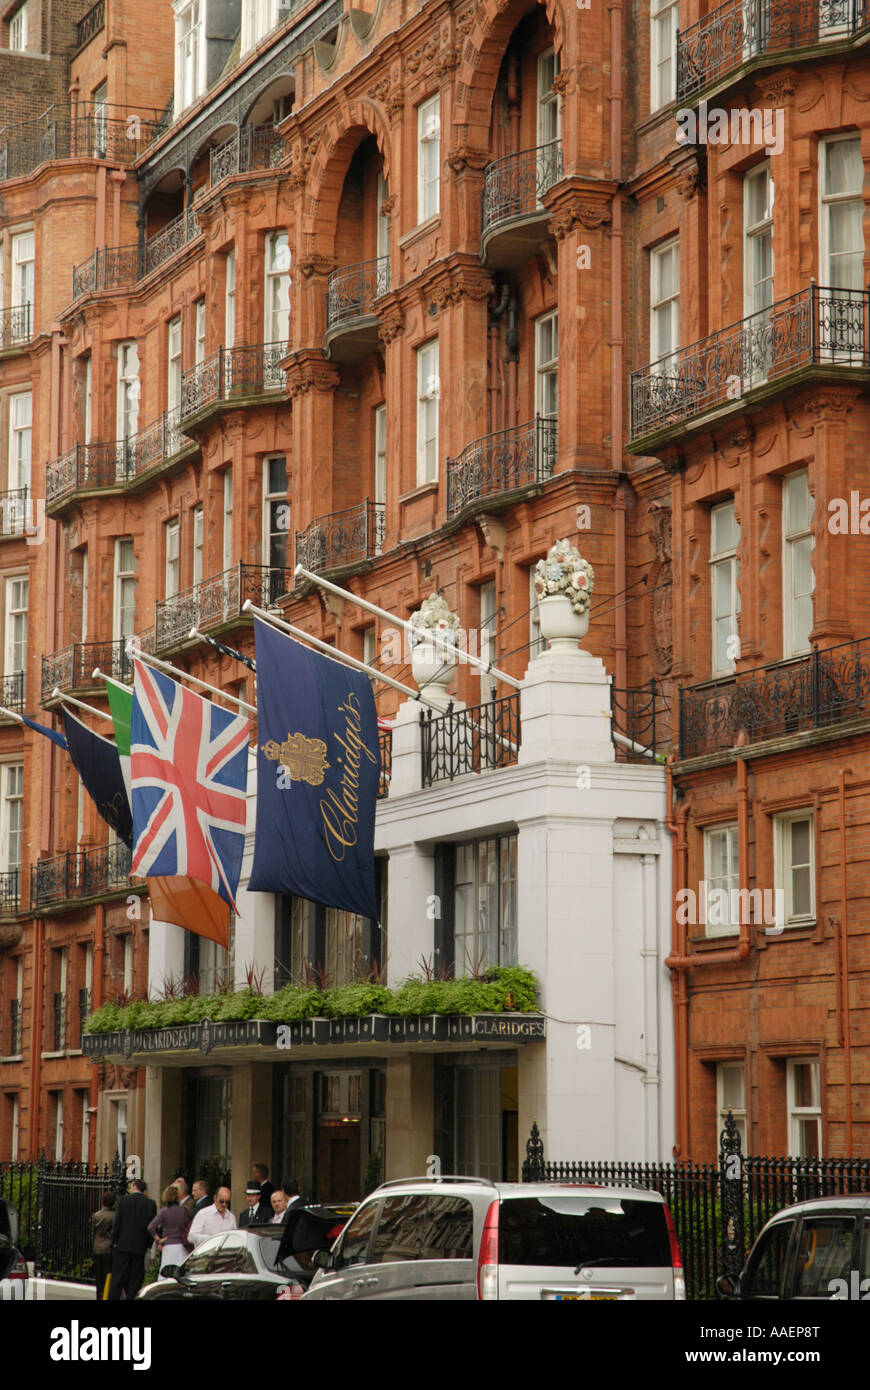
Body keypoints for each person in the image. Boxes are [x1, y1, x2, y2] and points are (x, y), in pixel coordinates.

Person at [108, 1179, 158, 1301]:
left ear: (134, 1186)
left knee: (118, 1278)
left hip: (122, 1245)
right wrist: (148, 1245)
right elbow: (152, 1226)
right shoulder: (150, 1204)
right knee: (135, 1279)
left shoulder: (123, 1201)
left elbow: (117, 1222)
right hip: (140, 1248)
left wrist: (114, 1241)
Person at [147, 1183, 192, 1276]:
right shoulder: (184, 1210)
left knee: (166, 1273)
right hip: (181, 1246)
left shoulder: (164, 1211)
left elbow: (151, 1227)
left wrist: (159, 1240)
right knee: (181, 1273)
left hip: (168, 1246)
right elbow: (188, 1226)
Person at [91, 1190, 116, 1301]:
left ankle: (99, 1297)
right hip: (109, 1249)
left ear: (102, 1201)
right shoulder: (114, 1216)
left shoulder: (96, 1216)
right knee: (108, 1277)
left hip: (97, 1248)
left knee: (99, 1278)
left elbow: (93, 1232)